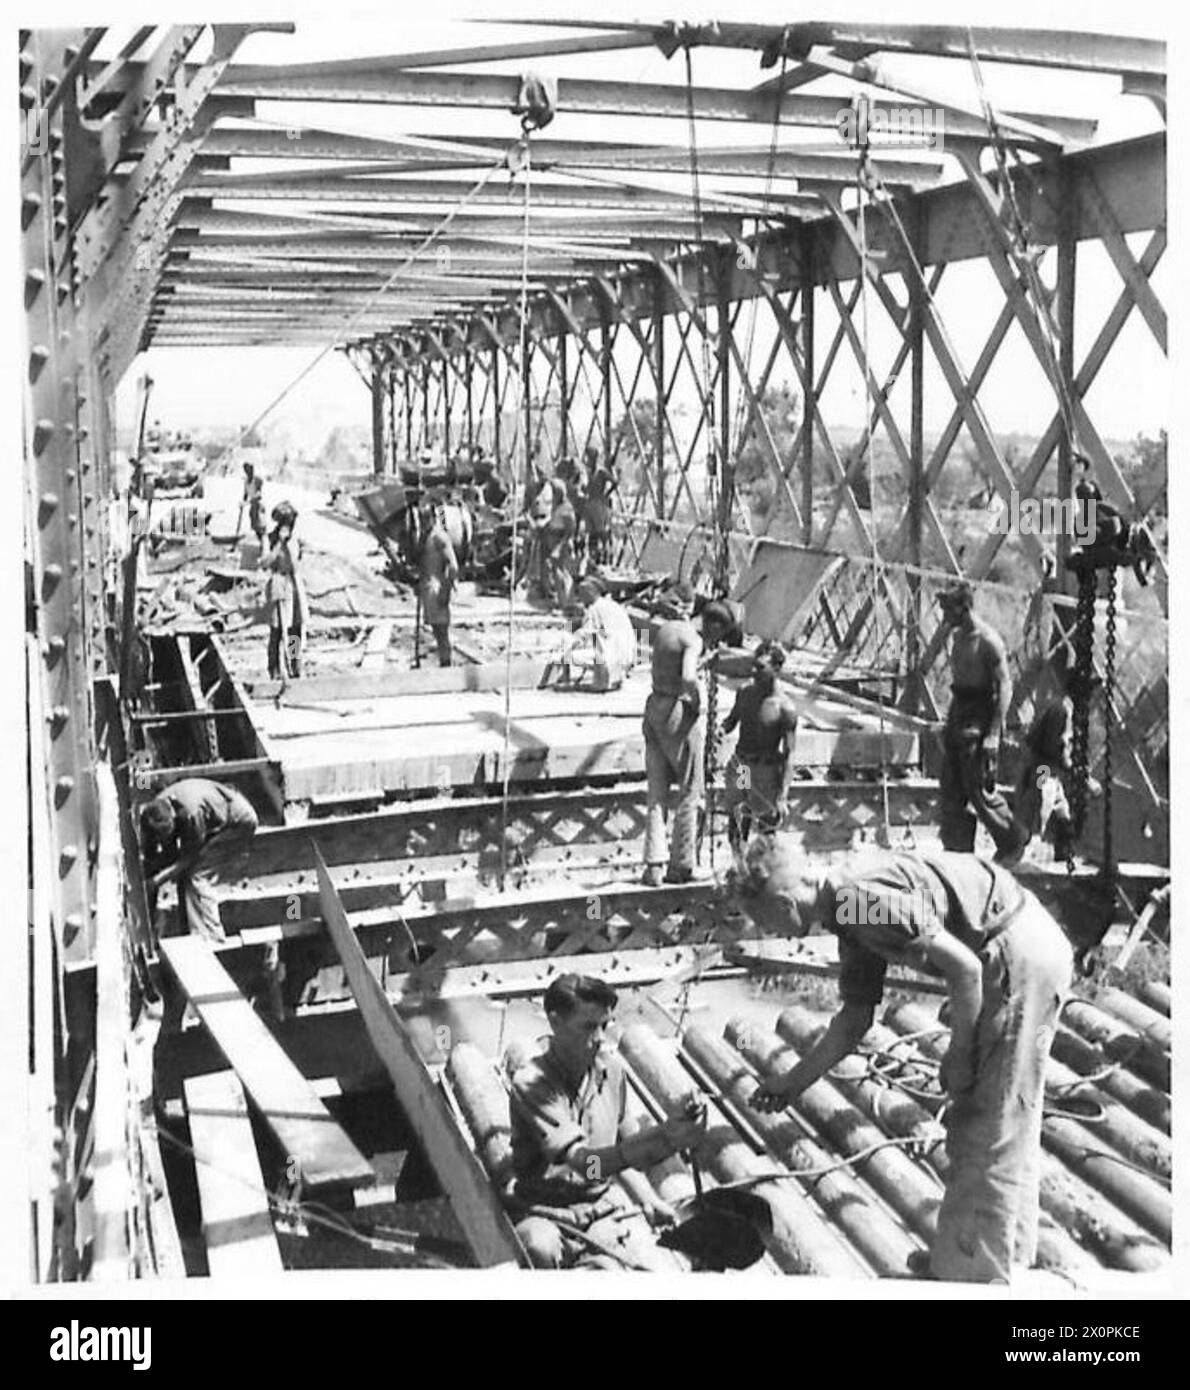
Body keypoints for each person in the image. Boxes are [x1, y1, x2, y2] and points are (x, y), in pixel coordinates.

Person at [731, 837, 1073, 1284]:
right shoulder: (846, 912)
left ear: (782, 900)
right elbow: (854, 1020)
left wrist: (959, 1053)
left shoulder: (857, 902)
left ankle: (971, 1274)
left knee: (985, 1118)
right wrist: (790, 1084)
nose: (769, 932)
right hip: (1020, 948)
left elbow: (965, 969)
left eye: (764, 922)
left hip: (1017, 956)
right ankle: (1000, 1254)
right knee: (1008, 1112)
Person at [507, 973, 706, 1270]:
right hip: (542, 1213)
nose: (600, 1038)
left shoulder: (612, 1074)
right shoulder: (531, 1084)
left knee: (612, 1271)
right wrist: (665, 1136)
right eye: (588, 1027)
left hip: (597, 1213)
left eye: (604, 1025)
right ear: (555, 1022)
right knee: (538, 1248)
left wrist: (649, 1198)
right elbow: (588, 1165)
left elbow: (623, 1152)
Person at [641, 584, 733, 886]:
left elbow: (670, 665)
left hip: (653, 706)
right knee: (690, 789)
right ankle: (682, 865)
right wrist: (696, 700)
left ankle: (653, 865)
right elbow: (687, 677)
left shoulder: (670, 629)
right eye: (718, 633)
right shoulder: (694, 640)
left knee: (656, 792)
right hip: (676, 713)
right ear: (713, 625)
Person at [936, 581, 1026, 863]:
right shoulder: (958, 637)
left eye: (948, 609)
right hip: (958, 709)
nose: (944, 616)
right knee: (950, 785)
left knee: (978, 787)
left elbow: (1005, 687)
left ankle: (1013, 839)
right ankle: (958, 851)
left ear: (964, 608)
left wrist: (992, 735)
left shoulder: (989, 641)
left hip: (979, 713)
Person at [140, 778, 259, 942]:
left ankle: (212, 938)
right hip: (215, 817)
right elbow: (157, 853)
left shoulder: (191, 814)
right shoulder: (153, 812)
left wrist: (157, 880)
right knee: (184, 877)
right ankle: (188, 934)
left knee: (197, 875)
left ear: (173, 821)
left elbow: (189, 858)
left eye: (166, 835)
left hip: (237, 822)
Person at [1014, 668, 1100, 861]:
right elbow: (1056, 751)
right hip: (1043, 769)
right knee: (1039, 810)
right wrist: (1084, 779)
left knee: (1062, 812)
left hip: (1049, 769)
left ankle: (1063, 853)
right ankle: (1021, 859)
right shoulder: (1061, 711)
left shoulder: (1063, 708)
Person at [722, 639, 800, 852]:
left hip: (766, 771)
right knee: (738, 820)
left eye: (761, 667)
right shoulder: (745, 694)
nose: (754, 671)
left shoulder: (785, 708)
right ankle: (738, 867)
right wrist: (720, 730)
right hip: (743, 766)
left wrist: (783, 795)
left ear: (776, 668)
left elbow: (790, 753)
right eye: (754, 665)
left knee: (767, 827)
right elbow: (732, 720)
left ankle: (767, 873)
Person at [560, 575, 637, 691]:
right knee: (605, 643)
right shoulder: (614, 605)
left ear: (590, 593)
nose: (580, 597)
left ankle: (567, 682)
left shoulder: (594, 609)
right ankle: (615, 679)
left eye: (581, 593)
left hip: (609, 657)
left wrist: (565, 647)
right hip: (629, 655)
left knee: (567, 655)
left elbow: (583, 636)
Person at [261, 502, 308, 680]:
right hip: (279, 584)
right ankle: (273, 669)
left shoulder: (296, 540)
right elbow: (265, 563)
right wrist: (279, 544)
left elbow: (297, 561)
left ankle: (295, 666)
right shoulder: (270, 538)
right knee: (277, 631)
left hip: (294, 584)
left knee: (295, 629)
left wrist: (292, 545)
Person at [419, 501, 460, 667]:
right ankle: (444, 663)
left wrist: (446, 590)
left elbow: (453, 566)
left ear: (433, 518)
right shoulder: (426, 536)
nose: (423, 522)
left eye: (426, 518)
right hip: (429, 587)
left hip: (438, 588)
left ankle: (446, 664)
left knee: (442, 631)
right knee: (436, 630)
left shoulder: (440, 537)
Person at [583, 448, 617, 566]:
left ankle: (606, 557)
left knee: (600, 532)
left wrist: (606, 494)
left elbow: (614, 482)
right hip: (590, 502)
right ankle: (594, 558)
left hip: (598, 503)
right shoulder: (588, 472)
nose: (587, 460)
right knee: (591, 533)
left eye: (588, 457)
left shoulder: (601, 472)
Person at [242, 460, 265, 546]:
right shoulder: (246, 482)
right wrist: (243, 502)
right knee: (253, 523)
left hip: (259, 504)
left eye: (250, 471)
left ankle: (263, 541)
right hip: (253, 504)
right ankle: (261, 541)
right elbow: (245, 494)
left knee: (259, 524)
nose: (249, 473)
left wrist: (249, 501)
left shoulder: (257, 480)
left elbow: (259, 495)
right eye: (247, 471)